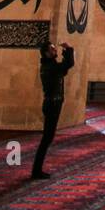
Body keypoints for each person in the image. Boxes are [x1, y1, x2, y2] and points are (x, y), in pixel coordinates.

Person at [30, 40, 74, 180]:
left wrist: (66, 53)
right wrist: (68, 49)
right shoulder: (49, 67)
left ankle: (37, 170)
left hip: (54, 104)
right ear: (47, 53)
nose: (55, 51)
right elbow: (68, 64)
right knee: (46, 139)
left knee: (48, 138)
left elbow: (64, 69)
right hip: (51, 105)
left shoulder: (51, 65)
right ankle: (36, 171)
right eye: (52, 50)